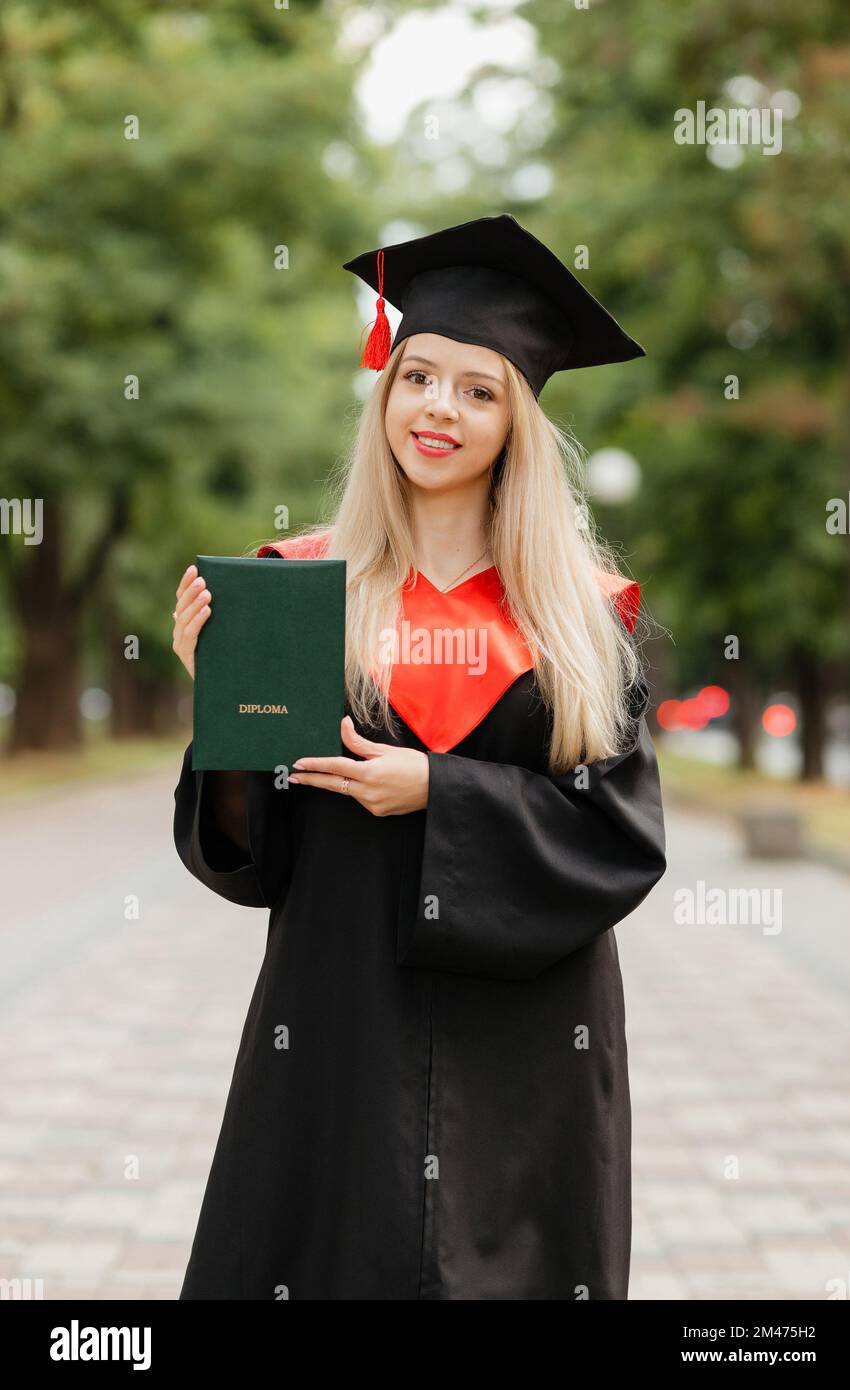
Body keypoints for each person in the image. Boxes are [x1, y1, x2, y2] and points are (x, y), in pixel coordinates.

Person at [170, 213, 667, 1300]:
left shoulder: (584, 621)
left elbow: (621, 844)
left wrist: (439, 791)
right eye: (417, 377)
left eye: (478, 390)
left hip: (529, 1038)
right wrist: (219, 701)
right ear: (384, 394)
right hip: (336, 1016)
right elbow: (251, 858)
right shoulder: (298, 590)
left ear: (515, 424)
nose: (439, 408)